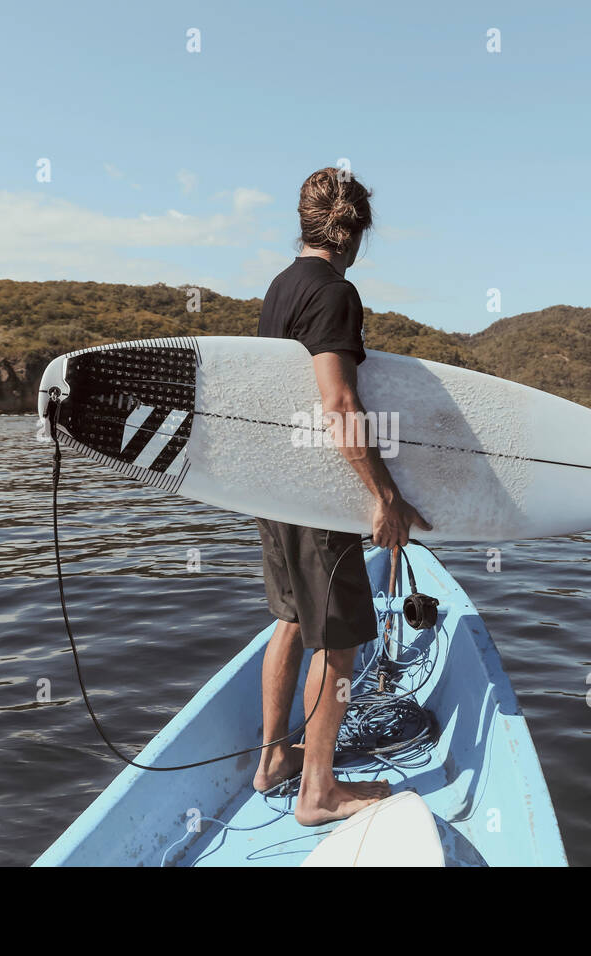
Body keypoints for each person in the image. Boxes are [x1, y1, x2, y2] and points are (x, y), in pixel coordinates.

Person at [252, 168, 431, 826]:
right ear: (353, 234)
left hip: (275, 488)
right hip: (318, 494)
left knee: (294, 622)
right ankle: (319, 791)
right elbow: (339, 403)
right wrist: (385, 496)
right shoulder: (335, 292)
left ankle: (274, 761)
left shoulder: (280, 289)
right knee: (339, 642)